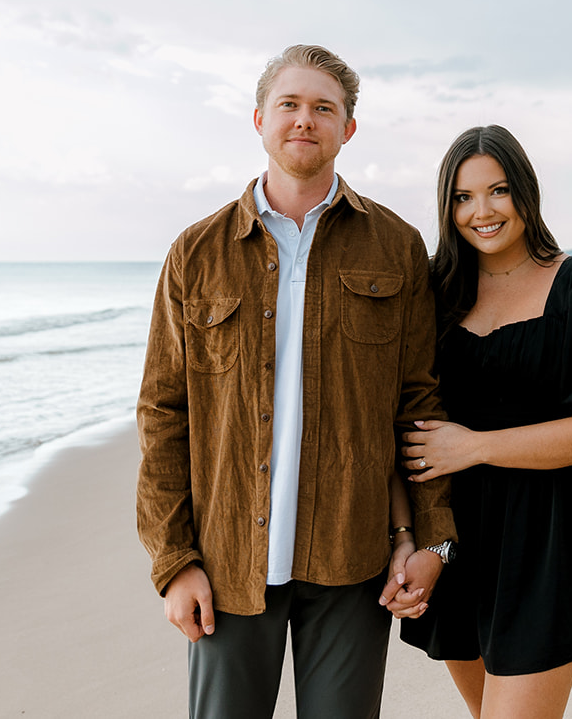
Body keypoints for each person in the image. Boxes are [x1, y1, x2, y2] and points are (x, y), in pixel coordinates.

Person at [136, 44, 456, 719]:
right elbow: (163, 413)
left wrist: (431, 539)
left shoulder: (396, 247)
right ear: (259, 118)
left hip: (354, 560)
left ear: (348, 128)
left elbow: (418, 404)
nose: (304, 120)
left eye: (323, 108)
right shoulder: (196, 253)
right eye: (290, 104)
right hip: (226, 565)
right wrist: (174, 561)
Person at [398, 124, 572, 719]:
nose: (482, 211)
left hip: (545, 536)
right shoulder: (436, 293)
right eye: (462, 196)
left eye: (498, 191)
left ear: (525, 192)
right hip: (455, 537)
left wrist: (473, 447)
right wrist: (412, 539)